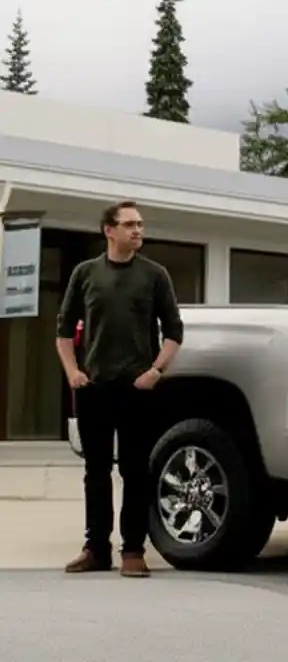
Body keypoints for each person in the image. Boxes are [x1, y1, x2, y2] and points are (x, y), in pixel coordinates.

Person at [55, 201, 184, 578]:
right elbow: (64, 331)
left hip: (137, 389)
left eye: (140, 224)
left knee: (135, 471)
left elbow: (174, 332)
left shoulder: (155, 275)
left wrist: (156, 370)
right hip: (94, 387)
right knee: (95, 472)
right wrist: (72, 372)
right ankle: (96, 549)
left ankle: (133, 551)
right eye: (129, 224)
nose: (137, 230)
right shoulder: (85, 273)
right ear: (109, 231)